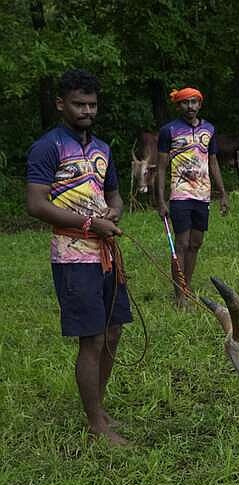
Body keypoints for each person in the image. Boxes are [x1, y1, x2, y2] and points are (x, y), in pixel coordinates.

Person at [25, 69, 132, 445]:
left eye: (92, 104)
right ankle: (96, 425)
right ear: (61, 104)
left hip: (107, 253)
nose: (87, 111)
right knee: (93, 340)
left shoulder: (102, 148)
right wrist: (90, 224)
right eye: (78, 104)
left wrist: (113, 213)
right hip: (73, 258)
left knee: (114, 331)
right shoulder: (48, 147)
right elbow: (36, 205)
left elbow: (114, 194)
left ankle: (98, 408)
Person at [155, 86, 228, 306]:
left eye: (194, 102)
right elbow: (160, 167)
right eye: (185, 103)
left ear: (200, 104)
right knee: (182, 243)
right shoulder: (169, 131)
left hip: (202, 195)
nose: (190, 107)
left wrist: (223, 193)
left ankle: (186, 286)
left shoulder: (209, 130)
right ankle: (179, 293)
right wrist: (160, 200)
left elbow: (213, 162)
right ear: (178, 106)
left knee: (196, 243)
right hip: (180, 195)